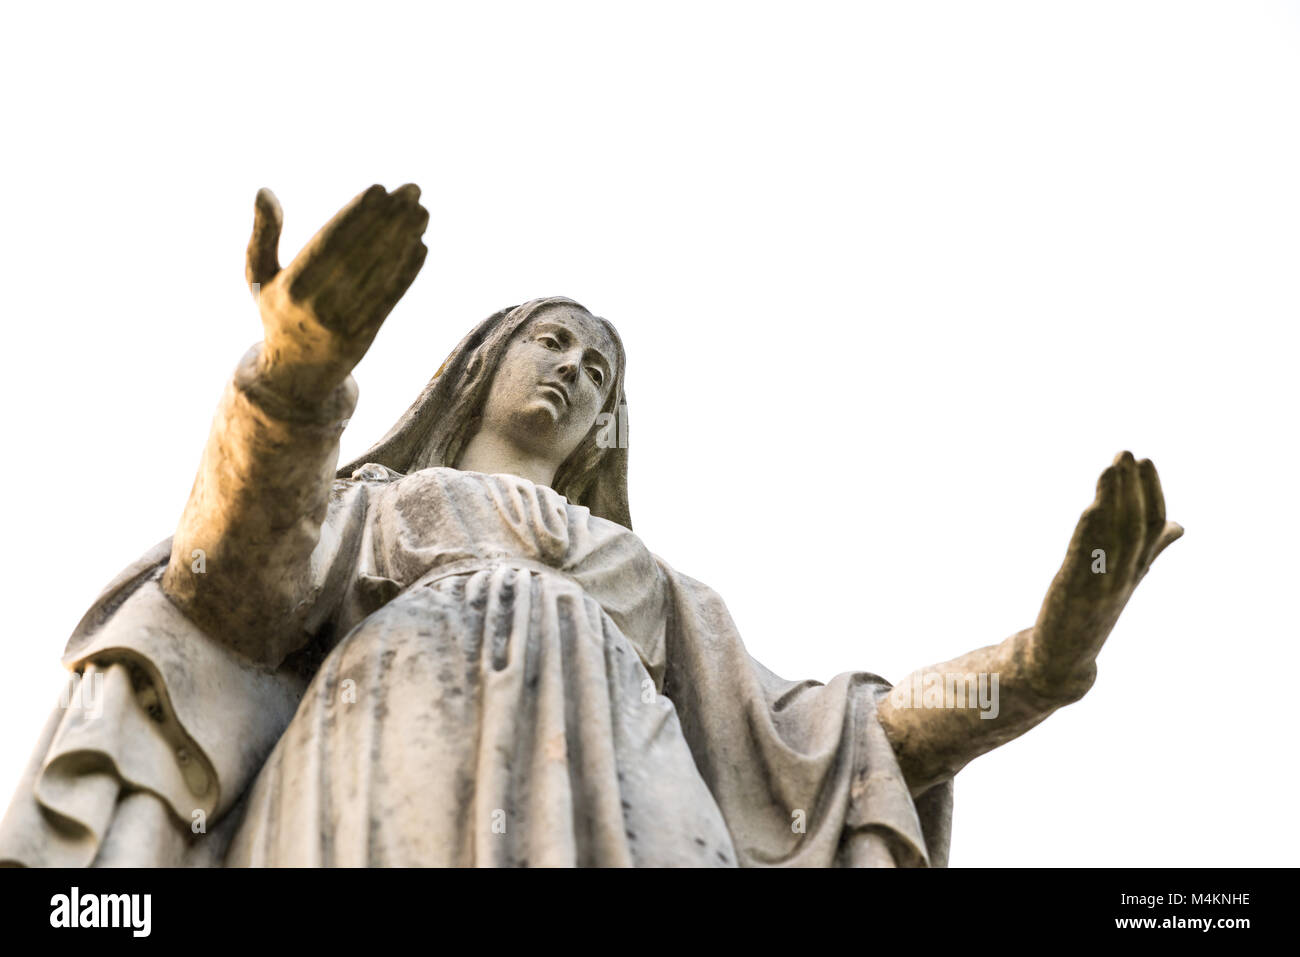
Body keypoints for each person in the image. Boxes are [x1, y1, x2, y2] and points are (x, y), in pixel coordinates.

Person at [0, 185, 1181, 867]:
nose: (573, 367)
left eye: (599, 367)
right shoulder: (371, 506)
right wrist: (296, 378)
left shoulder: (655, 592)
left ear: (609, 426)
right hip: (389, 755)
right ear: (481, 365)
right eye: (551, 340)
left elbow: (854, 743)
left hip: (632, 796)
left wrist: (1039, 665)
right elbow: (228, 590)